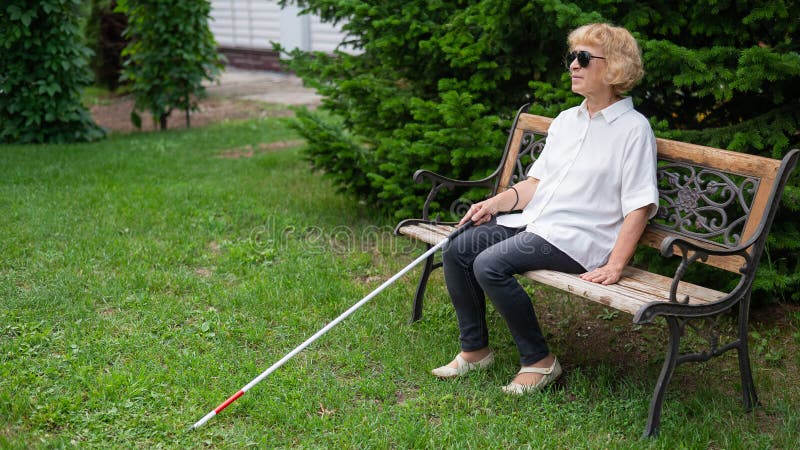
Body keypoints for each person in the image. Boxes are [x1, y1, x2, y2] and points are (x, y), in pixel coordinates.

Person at [432, 23, 660, 394]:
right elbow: (536, 185)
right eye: (572, 57)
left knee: (490, 264)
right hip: (537, 223)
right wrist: (494, 203)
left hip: (579, 239)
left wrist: (616, 264)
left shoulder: (634, 130)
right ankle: (475, 351)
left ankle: (539, 362)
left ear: (615, 66)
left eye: (584, 58)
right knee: (459, 248)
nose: (573, 64)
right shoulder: (567, 121)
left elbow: (639, 206)